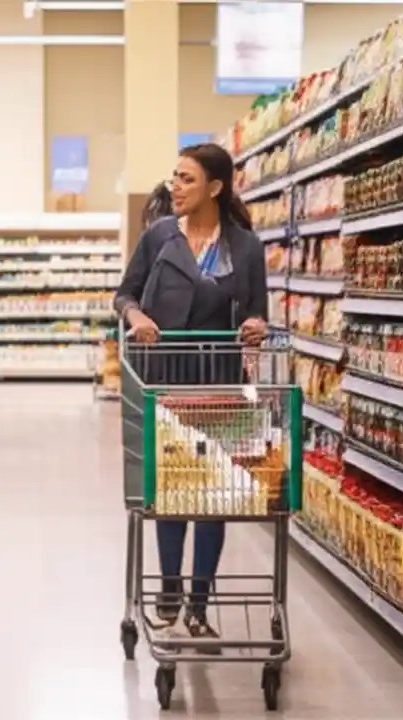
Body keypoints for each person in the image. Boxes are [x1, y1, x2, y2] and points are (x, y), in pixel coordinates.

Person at [114, 143, 268, 645]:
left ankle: (199, 602)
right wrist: (137, 317)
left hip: (220, 381)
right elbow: (125, 294)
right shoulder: (159, 236)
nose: (174, 187)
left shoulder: (246, 247)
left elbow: (257, 311)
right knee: (171, 492)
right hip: (165, 378)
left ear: (215, 188)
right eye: (174, 177)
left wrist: (253, 325)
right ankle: (169, 590)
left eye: (186, 179)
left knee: (213, 498)